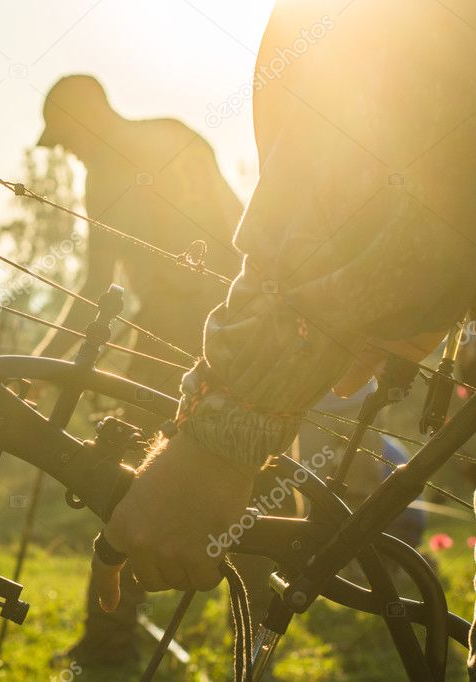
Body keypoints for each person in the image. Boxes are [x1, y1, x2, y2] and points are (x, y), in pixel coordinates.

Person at [90, 0, 476, 676]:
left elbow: (412, 98)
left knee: (211, 502)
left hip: (227, 335)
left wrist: (227, 426)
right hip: (234, 332)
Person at [32, 74, 247, 667]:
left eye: (66, 137)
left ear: (89, 115)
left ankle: (238, 645)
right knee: (138, 480)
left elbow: (240, 242)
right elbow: (100, 292)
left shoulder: (146, 156)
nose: (68, 152)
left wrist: (44, 369)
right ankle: (114, 639)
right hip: (224, 337)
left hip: (218, 336)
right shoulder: (128, 163)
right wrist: (48, 368)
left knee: (136, 483)